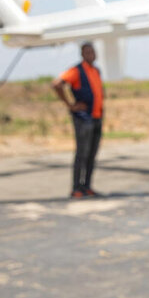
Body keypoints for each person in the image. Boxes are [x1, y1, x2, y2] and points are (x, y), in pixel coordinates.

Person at [52, 42, 104, 198]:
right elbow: (57, 84)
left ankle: (86, 186)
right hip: (83, 118)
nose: (91, 55)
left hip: (96, 117)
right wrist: (70, 105)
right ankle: (76, 188)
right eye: (87, 52)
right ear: (82, 54)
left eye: (93, 52)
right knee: (82, 153)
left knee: (92, 154)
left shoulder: (96, 70)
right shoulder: (76, 71)